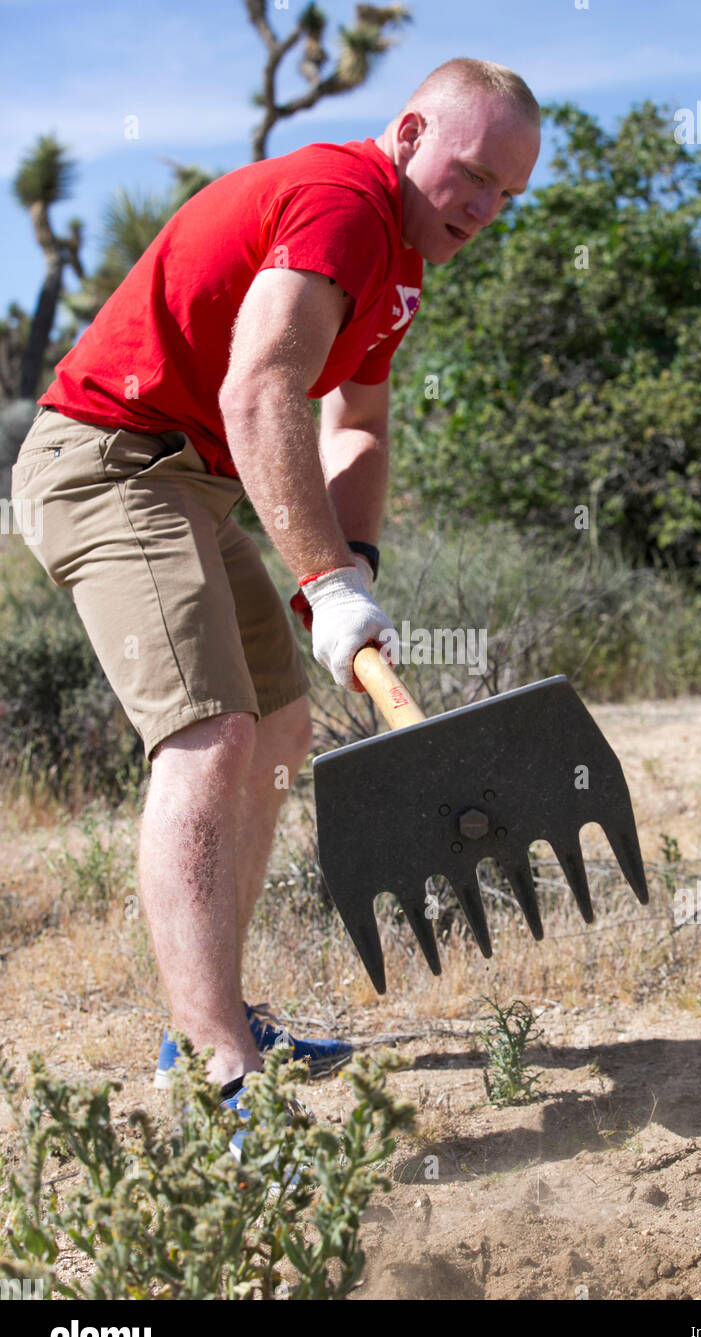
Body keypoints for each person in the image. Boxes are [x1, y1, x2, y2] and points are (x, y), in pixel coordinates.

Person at [12, 57, 541, 1105]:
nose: (481, 208)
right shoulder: (343, 204)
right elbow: (260, 387)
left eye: (506, 196)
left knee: (282, 725)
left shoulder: (400, 265)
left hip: (189, 485)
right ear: (406, 134)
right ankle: (215, 1069)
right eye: (470, 173)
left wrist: (350, 578)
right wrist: (322, 577)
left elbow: (358, 423)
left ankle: (213, 1019)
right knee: (211, 735)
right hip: (111, 458)